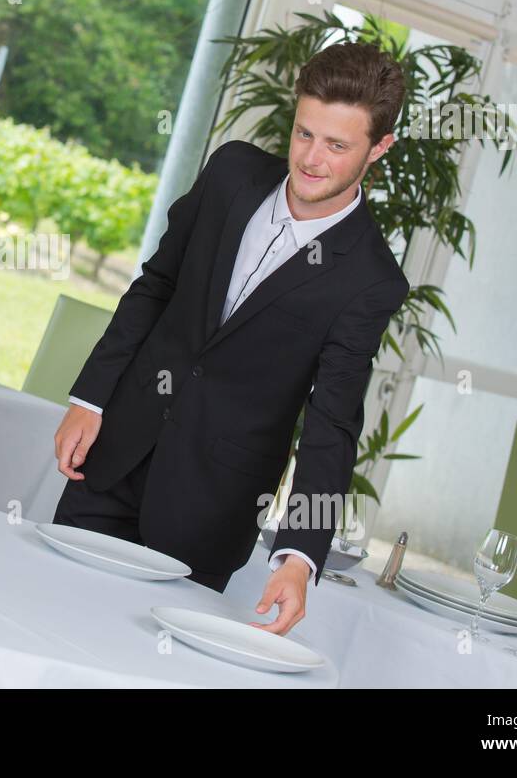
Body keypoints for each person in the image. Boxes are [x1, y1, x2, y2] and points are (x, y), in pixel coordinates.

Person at [51, 41, 410, 636]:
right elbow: (155, 286)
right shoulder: (231, 172)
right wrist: (89, 400)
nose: (312, 159)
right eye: (303, 134)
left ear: (380, 148)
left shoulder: (370, 279)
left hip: (209, 510)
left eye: (337, 145)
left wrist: (299, 556)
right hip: (113, 455)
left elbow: (333, 424)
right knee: (49, 617)